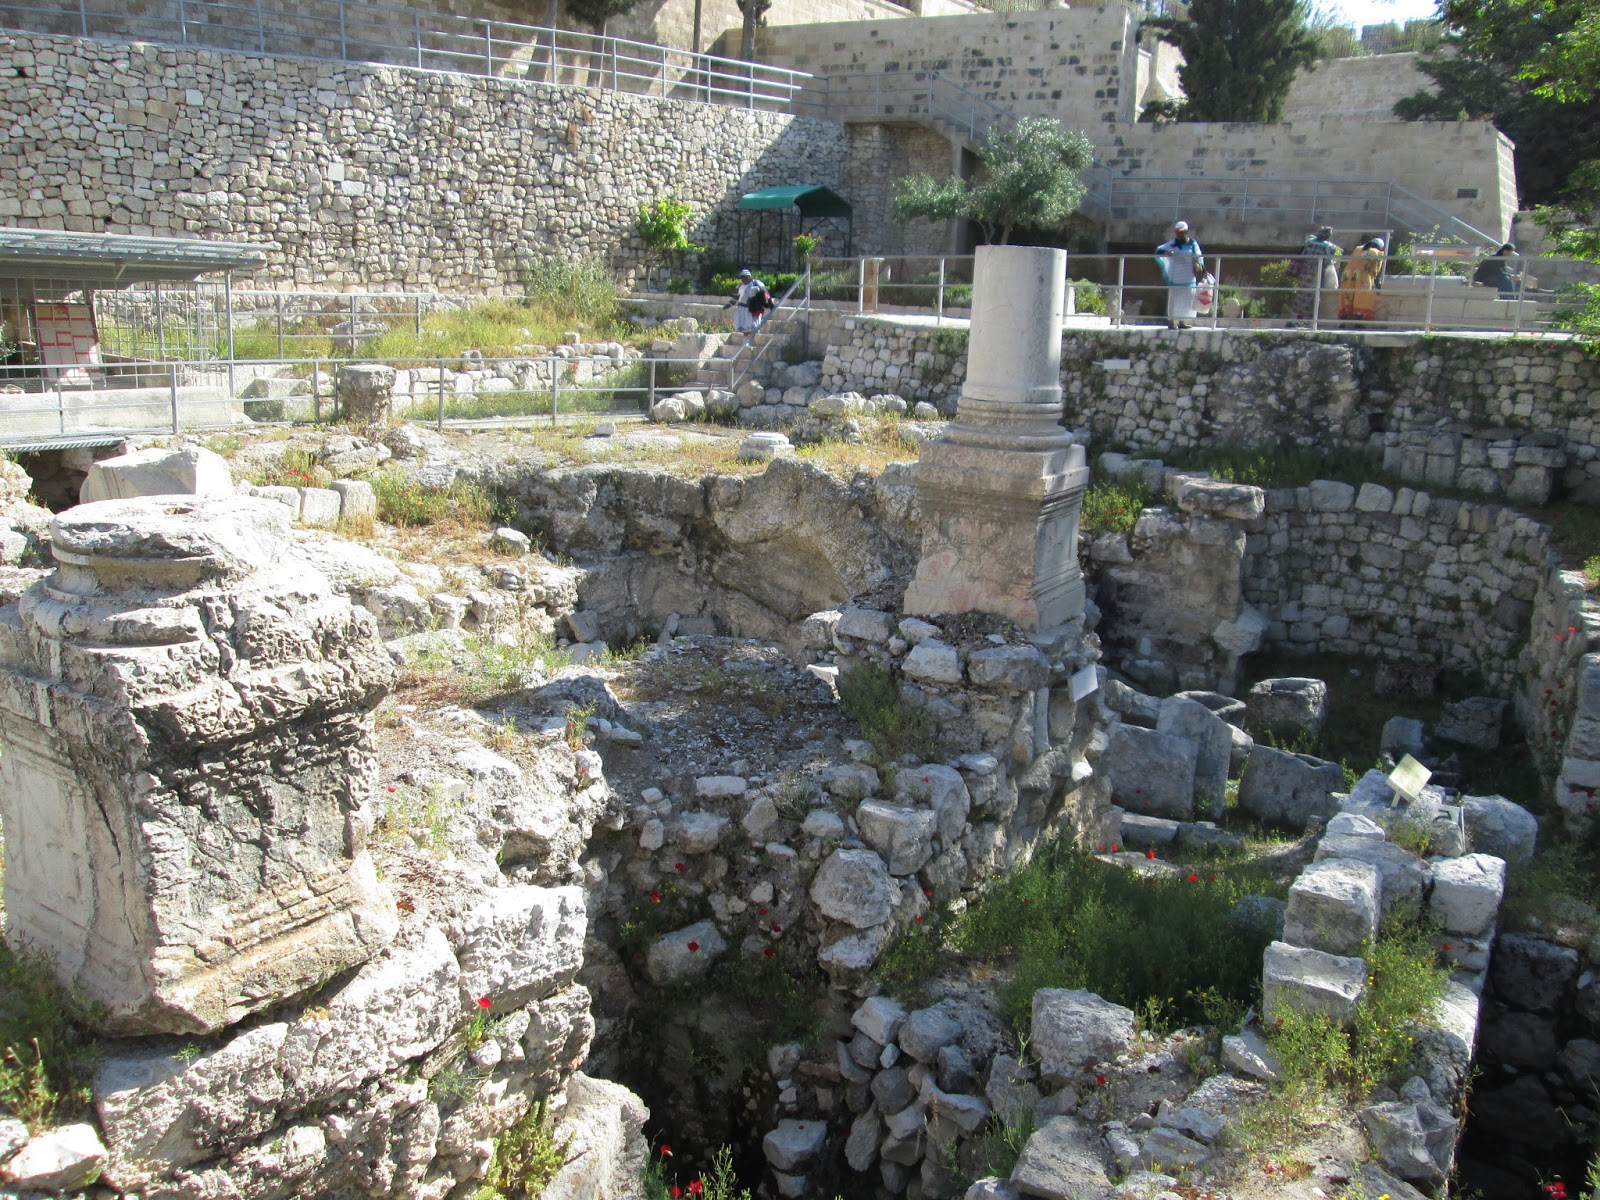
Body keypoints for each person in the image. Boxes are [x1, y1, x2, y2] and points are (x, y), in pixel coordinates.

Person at [1154, 220, 1205, 329]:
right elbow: (1159, 251)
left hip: (1188, 276)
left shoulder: (1192, 243)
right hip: (1176, 276)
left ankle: (1182, 321)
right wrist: (1167, 253)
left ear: (1186, 232)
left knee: (1187, 299)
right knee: (1174, 299)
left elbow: (1198, 255)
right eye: (1177, 232)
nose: (1179, 234)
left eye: (1181, 232)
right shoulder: (1172, 244)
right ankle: (1171, 321)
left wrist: (1199, 264)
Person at [1290, 226, 1342, 323]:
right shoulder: (1328, 246)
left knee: (1301, 294)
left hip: (1305, 273)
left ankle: (1298, 318)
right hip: (1316, 274)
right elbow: (1328, 262)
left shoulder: (1309, 242)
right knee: (1314, 296)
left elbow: (1303, 255)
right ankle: (1310, 320)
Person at [1337, 237, 1386, 322]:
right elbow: (1375, 270)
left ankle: (1343, 322)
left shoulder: (1358, 248)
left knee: (1347, 297)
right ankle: (1358, 322)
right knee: (1361, 299)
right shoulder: (1377, 252)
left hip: (1347, 275)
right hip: (1362, 277)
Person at [727, 268, 770, 334]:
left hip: (750, 308)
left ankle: (750, 340)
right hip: (741, 308)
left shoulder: (755, 284)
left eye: (745, 278)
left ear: (748, 277)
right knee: (743, 327)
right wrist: (730, 304)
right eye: (742, 278)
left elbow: (764, 293)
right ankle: (746, 341)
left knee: (751, 326)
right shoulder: (740, 286)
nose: (743, 280)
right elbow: (738, 296)